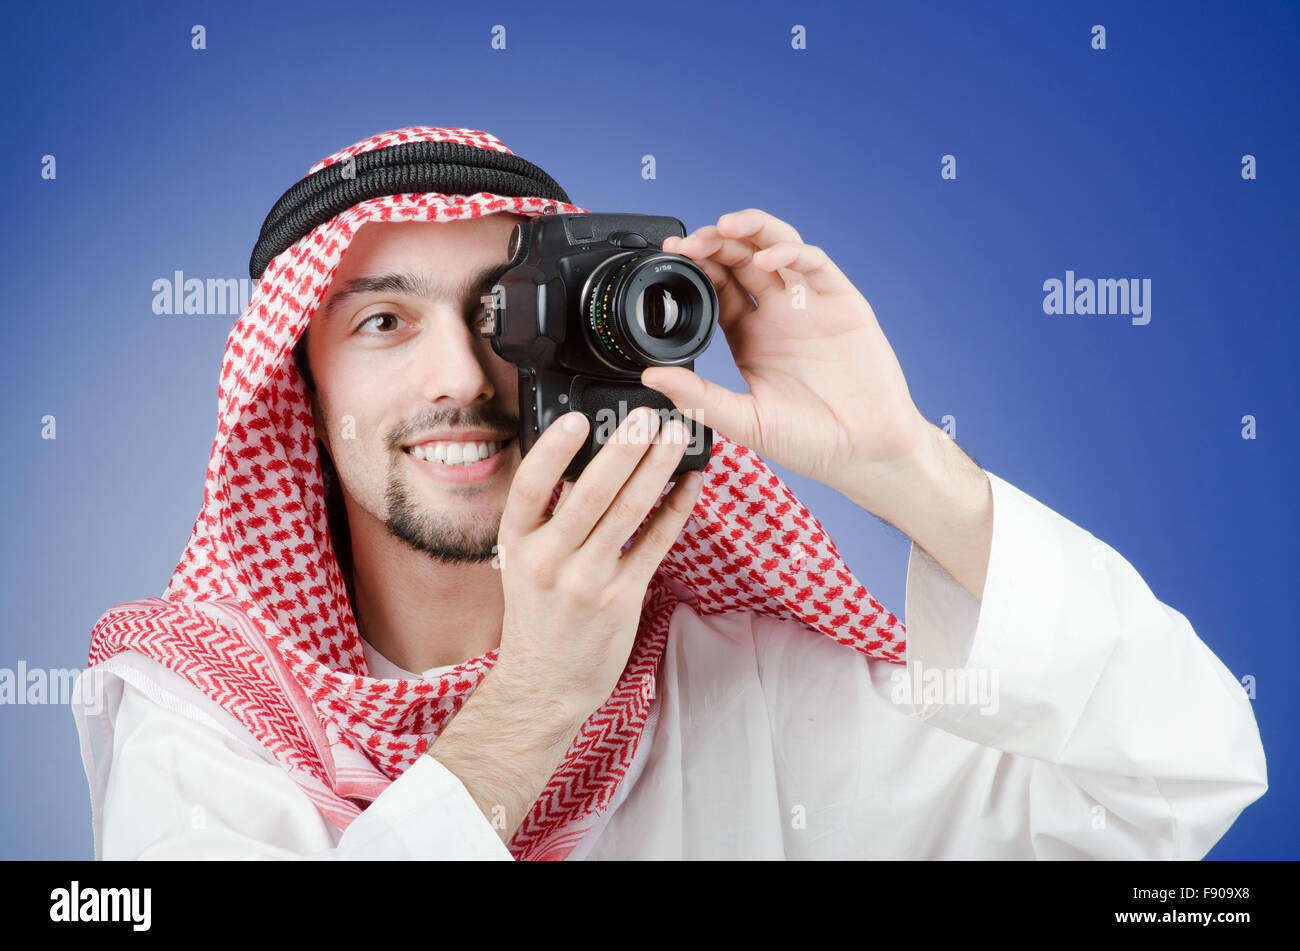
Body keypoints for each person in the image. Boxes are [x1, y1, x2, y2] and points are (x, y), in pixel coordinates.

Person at [73, 126, 1267, 860]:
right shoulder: (205, 718)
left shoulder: (739, 687)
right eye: (383, 321)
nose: (461, 375)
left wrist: (898, 460)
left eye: (505, 313)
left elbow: (1171, 793)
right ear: (296, 386)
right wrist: (540, 698)